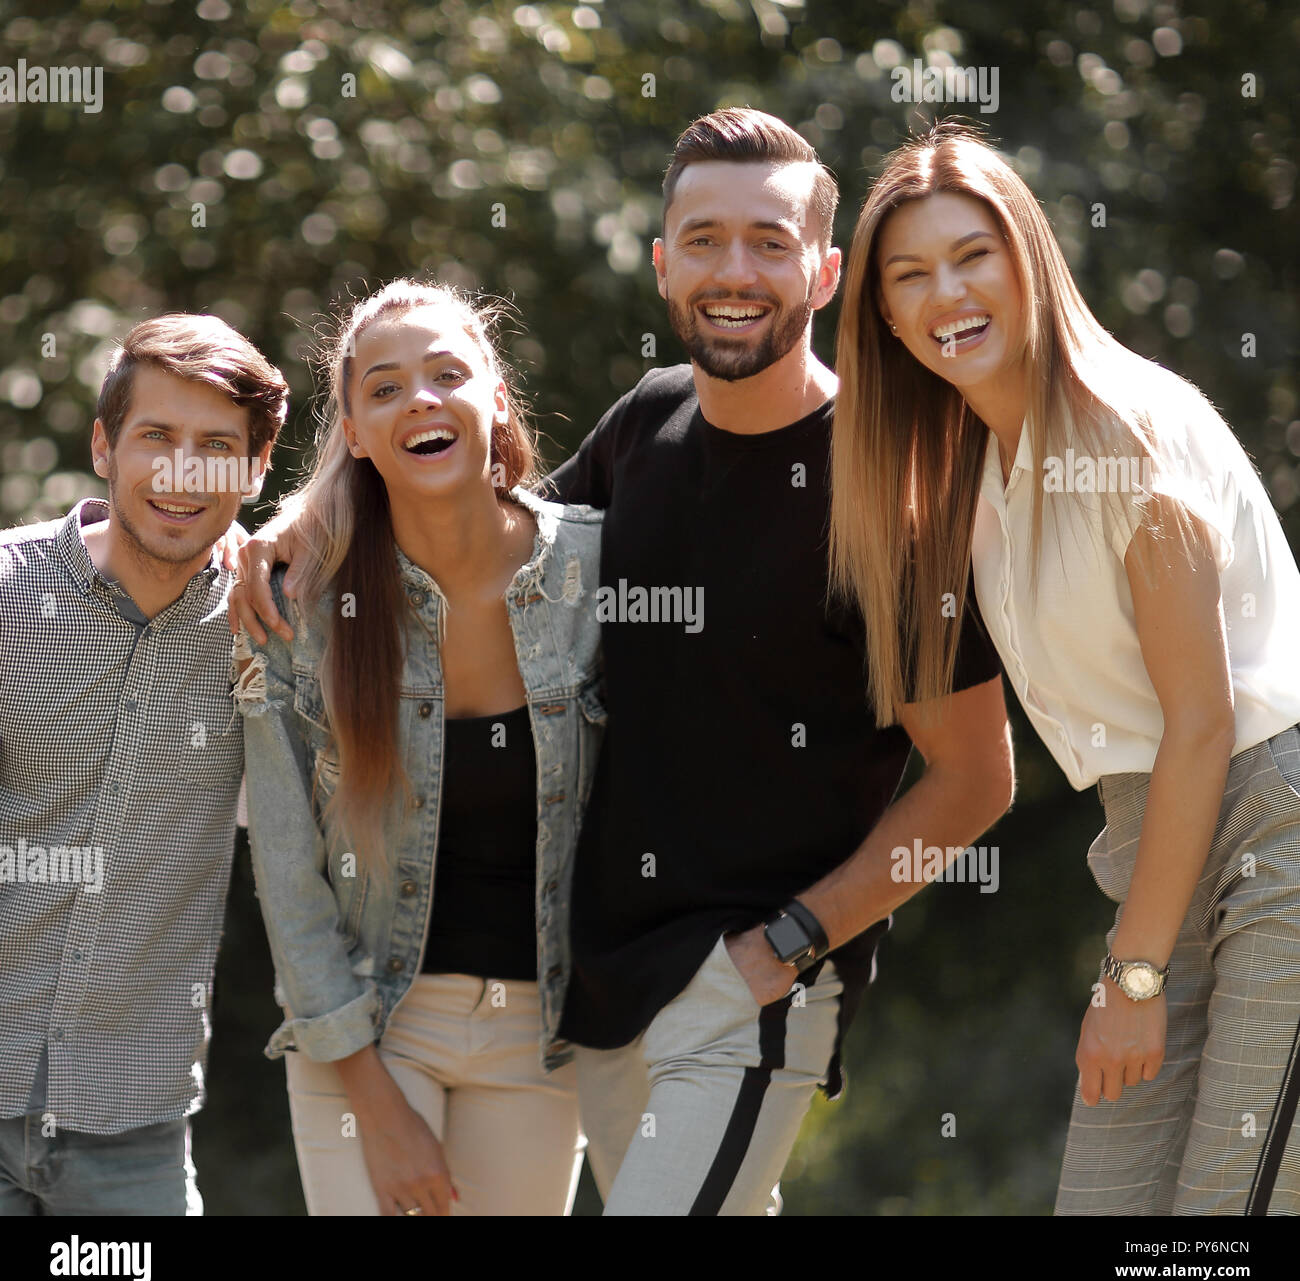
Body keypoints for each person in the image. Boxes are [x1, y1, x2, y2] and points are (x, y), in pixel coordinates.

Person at [236, 110, 1014, 1215]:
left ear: (826, 271)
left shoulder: (889, 495)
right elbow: (469, 532)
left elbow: (978, 778)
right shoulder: (646, 424)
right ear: (661, 263)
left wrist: (789, 944)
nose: (731, 270)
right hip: (595, 992)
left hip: (750, 984)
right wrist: (295, 528)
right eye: (701, 239)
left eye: (767, 241)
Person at [831, 121, 1300, 1215]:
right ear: (885, 316)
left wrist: (1132, 980)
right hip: (1155, 852)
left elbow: (1199, 723)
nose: (947, 293)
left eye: (972, 256)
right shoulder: (974, 474)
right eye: (911, 275)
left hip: (1270, 830)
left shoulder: (1118, 437)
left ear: (1028, 259)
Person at [230, 279, 603, 1216]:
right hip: (365, 1024)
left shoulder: (598, 571)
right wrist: (370, 1095)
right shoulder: (299, 607)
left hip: (543, 1034)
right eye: (385, 388)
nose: (421, 401)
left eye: (447, 374)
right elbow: (286, 868)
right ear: (354, 430)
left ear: (496, 399)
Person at [0, 314, 285, 1214]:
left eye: (217, 447)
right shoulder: (7, 597)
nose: (182, 471)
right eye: (156, 436)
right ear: (102, 446)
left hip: (135, 1133)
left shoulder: (276, 629)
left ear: (254, 469)